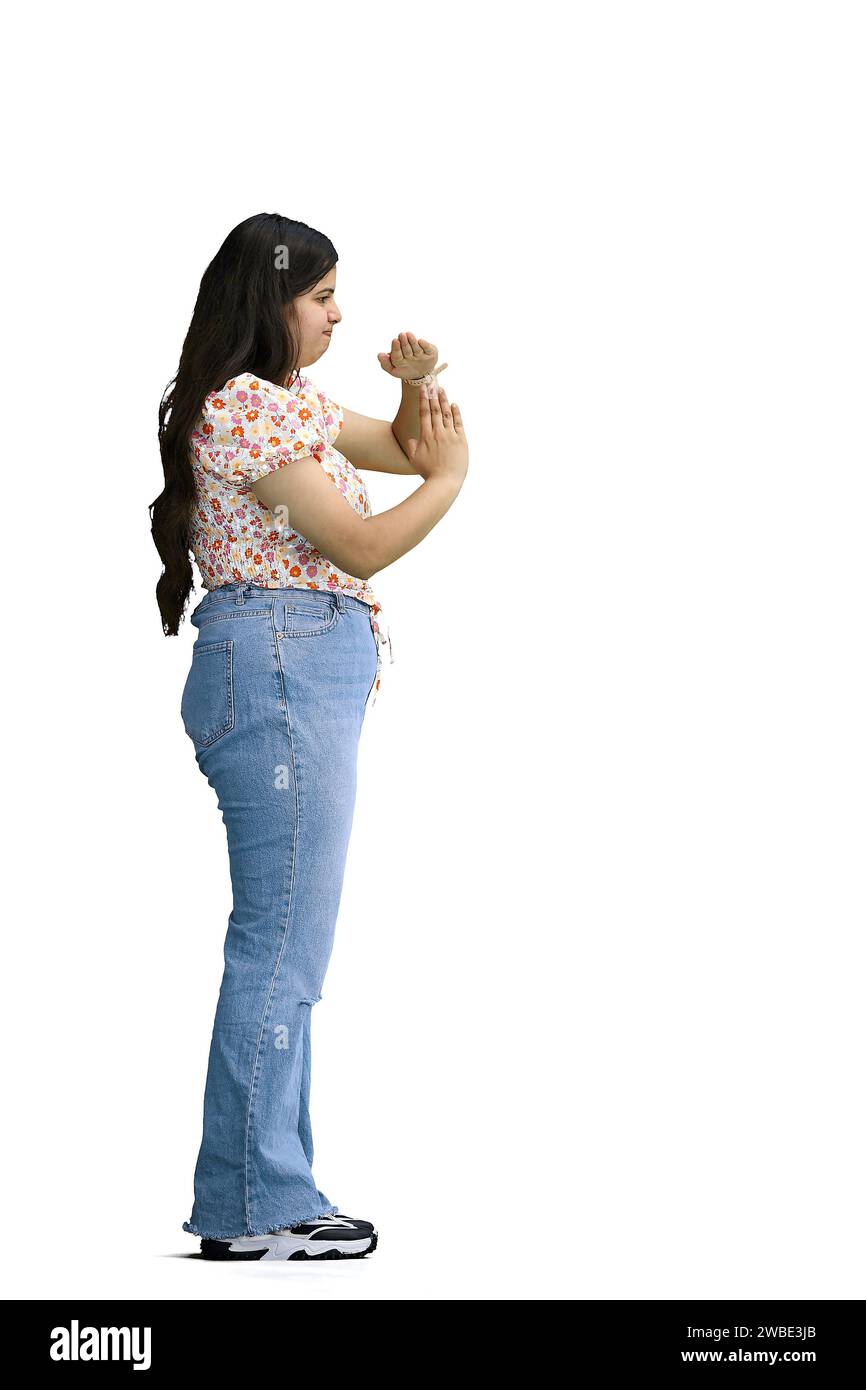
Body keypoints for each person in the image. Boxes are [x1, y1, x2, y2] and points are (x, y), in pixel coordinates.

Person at [149, 213, 468, 1261]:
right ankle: (255, 1201)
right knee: (281, 948)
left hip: (289, 665)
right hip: (280, 665)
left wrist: (420, 383)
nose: (339, 314)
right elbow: (362, 540)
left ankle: (265, 1189)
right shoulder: (245, 407)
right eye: (323, 297)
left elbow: (410, 438)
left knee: (285, 947)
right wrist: (448, 487)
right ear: (270, 301)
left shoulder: (284, 403)